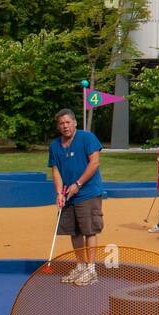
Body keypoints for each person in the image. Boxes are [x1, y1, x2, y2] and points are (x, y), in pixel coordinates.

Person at [48, 108, 105, 286]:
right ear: (58, 127)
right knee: (74, 231)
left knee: (89, 230)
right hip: (68, 194)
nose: (65, 126)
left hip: (87, 192)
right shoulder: (55, 145)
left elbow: (94, 162)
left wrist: (78, 184)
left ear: (74, 123)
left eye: (68, 122)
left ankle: (91, 269)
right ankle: (80, 266)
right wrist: (59, 192)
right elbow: (55, 169)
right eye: (61, 123)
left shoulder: (87, 138)